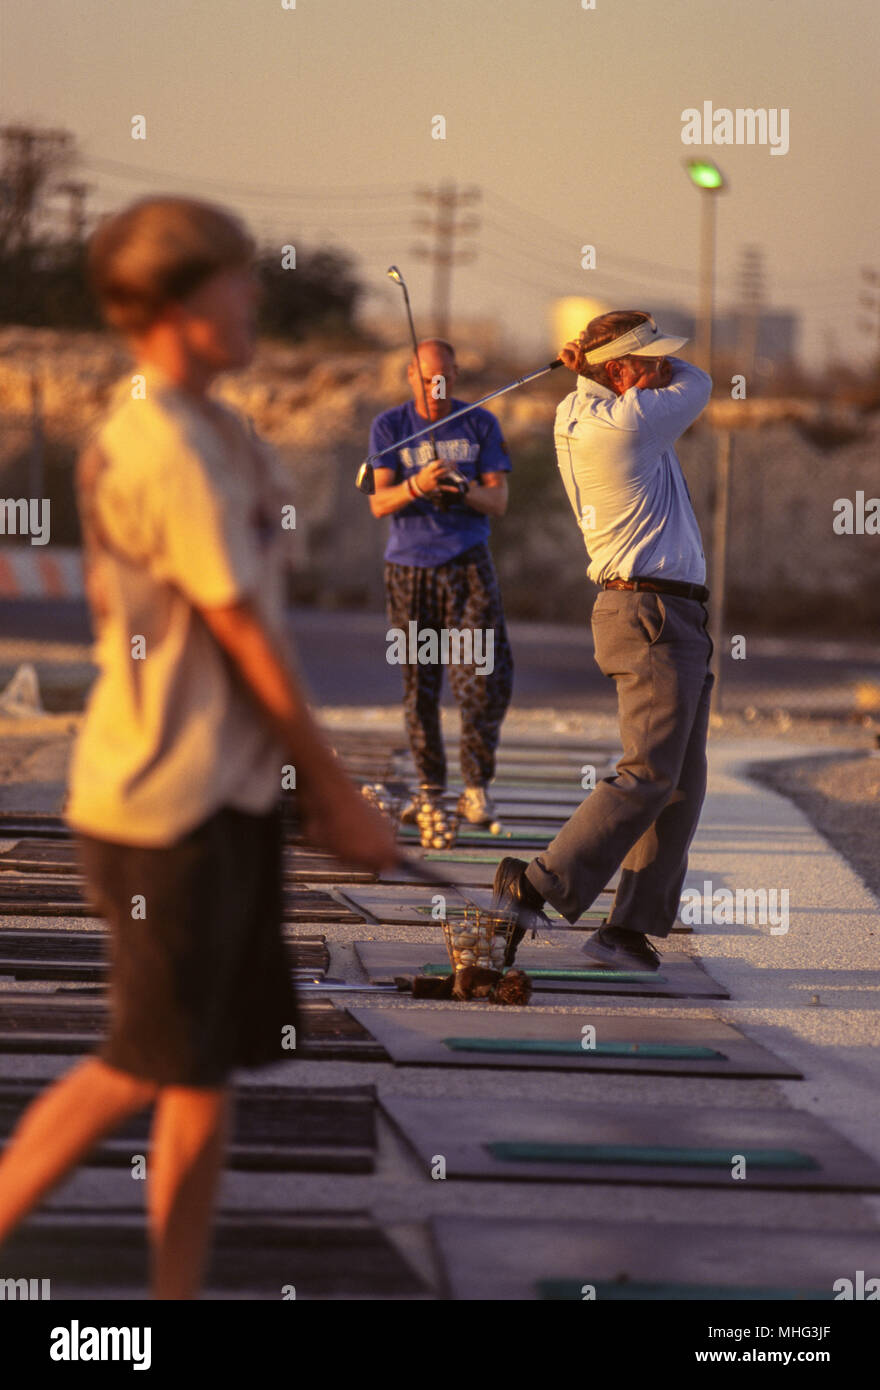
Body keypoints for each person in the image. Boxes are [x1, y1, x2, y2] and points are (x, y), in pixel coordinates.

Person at [0, 196, 397, 1298]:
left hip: (225, 796)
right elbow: (239, 631)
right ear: (178, 301)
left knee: (202, 1073)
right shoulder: (158, 441)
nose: (255, 296)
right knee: (141, 1063)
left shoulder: (219, 425)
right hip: (158, 804)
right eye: (237, 279)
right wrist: (332, 788)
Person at [493, 310, 714, 970]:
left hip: (666, 614)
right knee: (647, 773)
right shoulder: (629, 423)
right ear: (621, 371)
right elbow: (699, 381)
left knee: (680, 782)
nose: (661, 371)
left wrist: (589, 364)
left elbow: (661, 374)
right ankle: (536, 883)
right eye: (647, 363)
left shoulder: (581, 410)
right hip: (651, 614)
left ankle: (629, 929)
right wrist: (594, 361)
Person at [368, 338, 514, 826]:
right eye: (428, 376)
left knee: (479, 678)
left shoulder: (480, 424)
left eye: (445, 377)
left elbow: (498, 502)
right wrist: (418, 485)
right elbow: (379, 501)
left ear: (454, 375)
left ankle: (476, 787)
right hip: (410, 571)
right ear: (411, 375)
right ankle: (430, 787)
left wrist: (463, 488)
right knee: (420, 684)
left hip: (467, 565)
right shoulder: (389, 427)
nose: (436, 386)